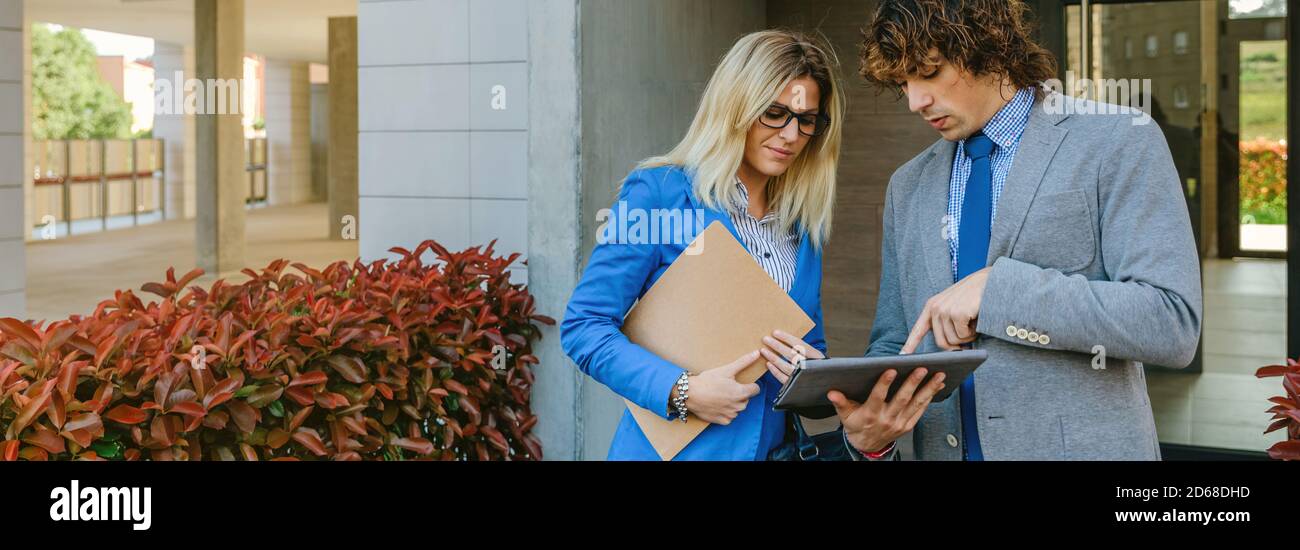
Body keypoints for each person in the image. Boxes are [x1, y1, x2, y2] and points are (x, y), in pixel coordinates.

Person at [835, 0, 1203, 461]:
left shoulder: (1118, 139)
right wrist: (871, 432)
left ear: (990, 49)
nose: (915, 101)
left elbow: (1171, 322)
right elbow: (897, 340)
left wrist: (999, 290)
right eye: (904, 83)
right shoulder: (908, 185)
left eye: (929, 72)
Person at [561, 30, 944, 461]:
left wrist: (810, 370)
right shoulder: (658, 193)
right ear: (736, 106)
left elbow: (806, 351)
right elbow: (584, 327)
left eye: (806, 120)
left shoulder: (800, 225)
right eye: (774, 113)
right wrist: (682, 389)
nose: (791, 135)